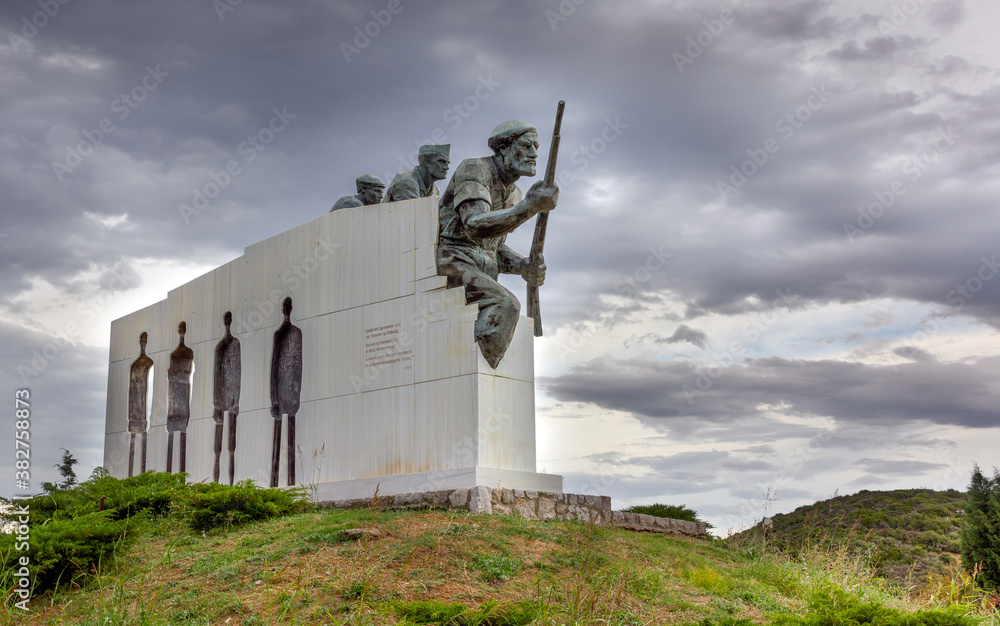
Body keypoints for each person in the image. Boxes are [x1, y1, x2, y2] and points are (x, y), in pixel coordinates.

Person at [436, 120, 558, 368]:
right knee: (505, 304)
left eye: (536, 146)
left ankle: (486, 379)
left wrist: (522, 266)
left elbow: (494, 246)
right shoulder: (475, 169)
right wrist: (530, 208)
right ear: (503, 148)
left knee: (507, 308)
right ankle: (476, 372)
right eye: (526, 145)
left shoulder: (514, 194)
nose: (534, 154)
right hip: (452, 261)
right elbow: (476, 225)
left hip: (482, 268)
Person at [383, 144, 451, 202]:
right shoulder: (406, 180)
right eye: (442, 162)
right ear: (427, 162)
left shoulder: (435, 190)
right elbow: (412, 213)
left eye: (448, 163)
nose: (446, 167)